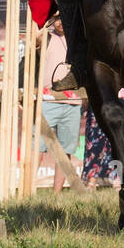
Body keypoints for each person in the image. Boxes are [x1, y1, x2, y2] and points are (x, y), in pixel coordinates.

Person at [36, 16, 83, 191]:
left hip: (73, 101)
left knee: (65, 152)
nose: (60, 22)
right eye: (56, 19)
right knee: (38, 147)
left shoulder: (78, 39)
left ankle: (57, 194)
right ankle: (29, 189)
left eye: (63, 17)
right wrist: (42, 26)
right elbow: (35, 40)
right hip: (48, 100)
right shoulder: (47, 37)